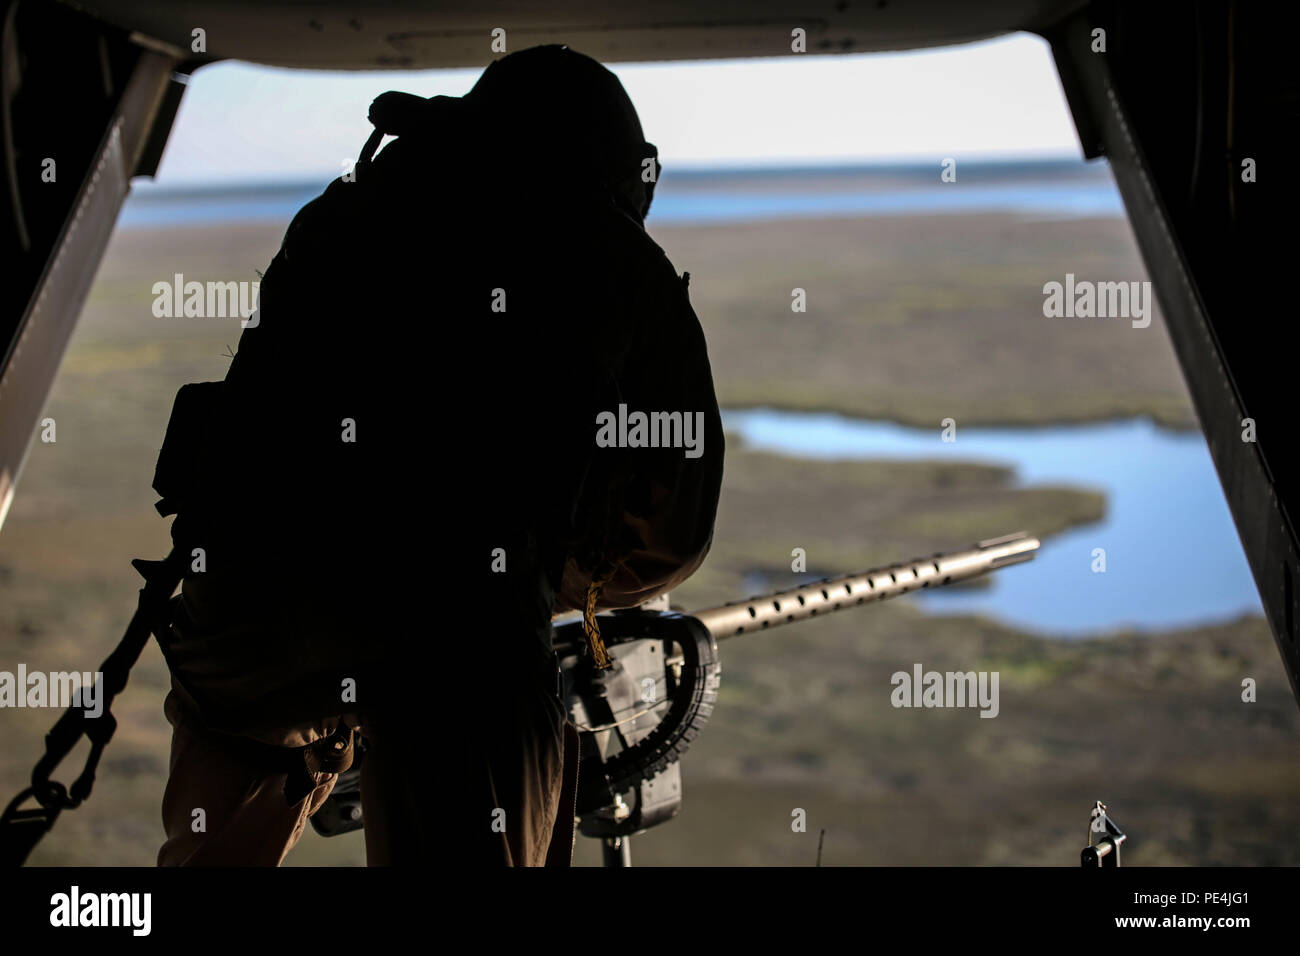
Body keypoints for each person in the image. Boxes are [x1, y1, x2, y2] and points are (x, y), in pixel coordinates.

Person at [150, 44, 725, 866]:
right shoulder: (621, 266)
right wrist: (540, 580)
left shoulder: (348, 210)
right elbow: (673, 535)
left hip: (251, 599)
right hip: (455, 627)